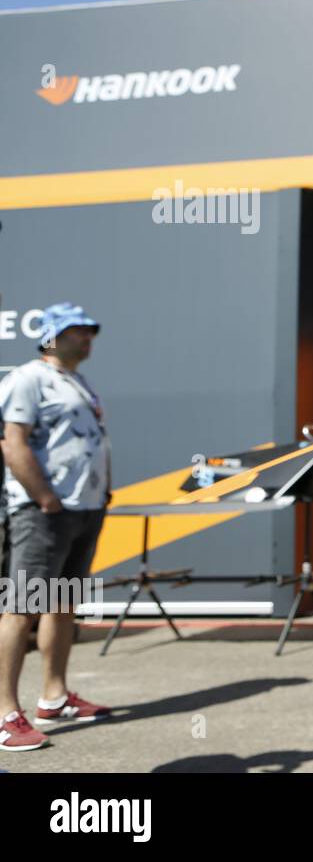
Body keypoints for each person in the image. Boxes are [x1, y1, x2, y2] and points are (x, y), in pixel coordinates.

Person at [0, 303, 113, 753]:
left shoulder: (77, 383)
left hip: (82, 511)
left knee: (62, 604)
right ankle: (6, 714)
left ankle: (54, 697)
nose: (86, 338)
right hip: (43, 513)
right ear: (50, 336)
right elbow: (12, 442)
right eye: (75, 332)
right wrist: (45, 498)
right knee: (21, 608)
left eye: (89, 331)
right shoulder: (27, 378)